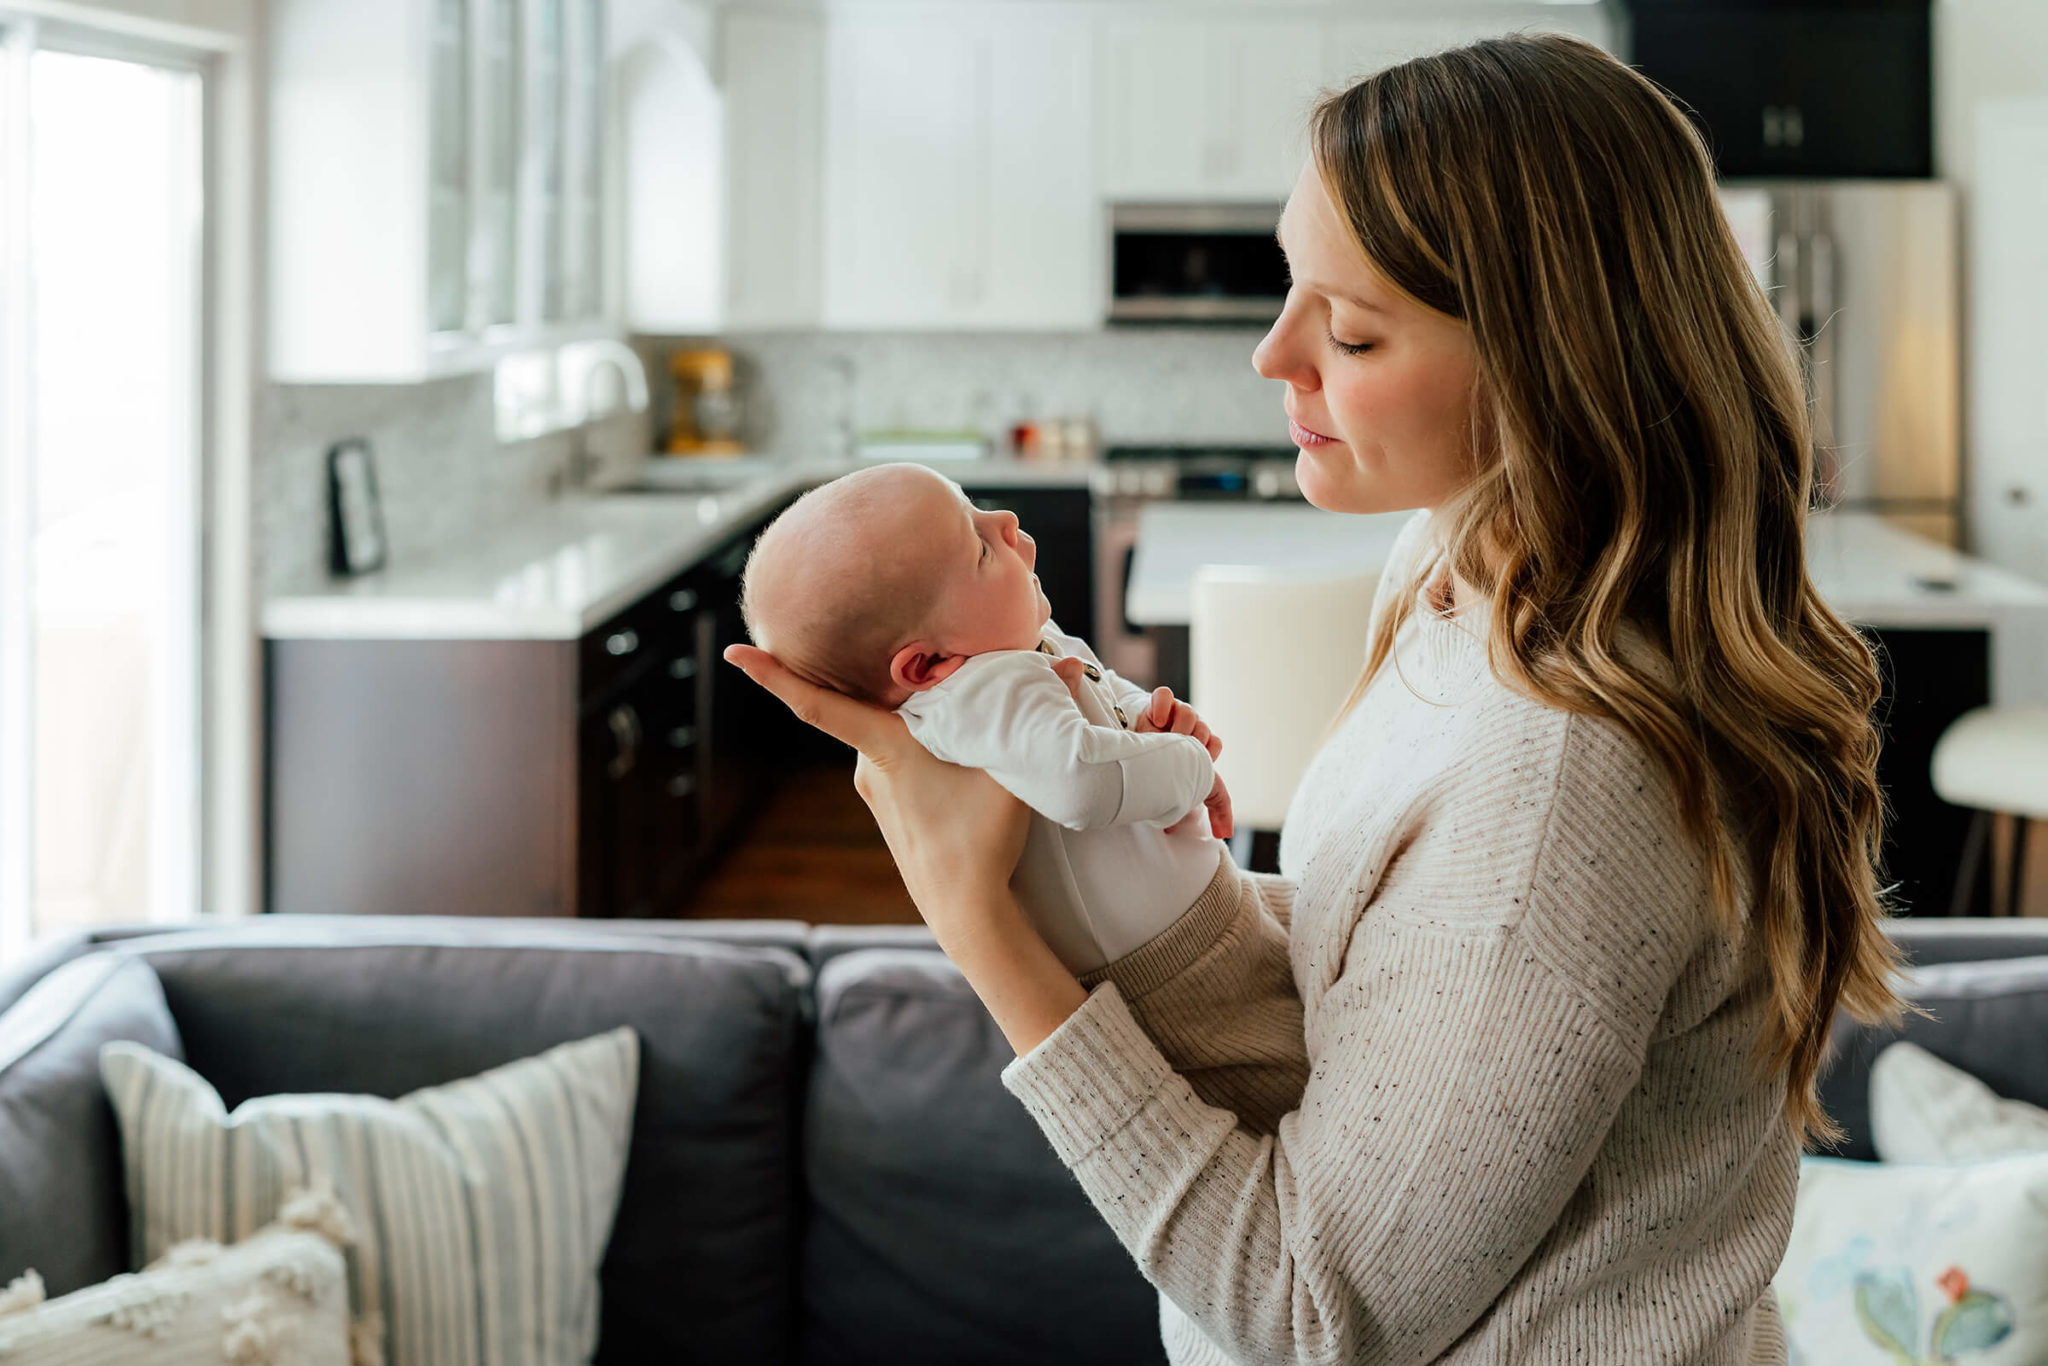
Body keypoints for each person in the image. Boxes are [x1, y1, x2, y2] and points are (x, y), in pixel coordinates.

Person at [726, 32, 1910, 1365]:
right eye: (1294, 290)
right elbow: (1414, 970)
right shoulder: (1462, 572)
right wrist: (1155, 875)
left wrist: (983, 924)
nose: (1273, 355)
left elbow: (1314, 1310)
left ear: (1545, 358)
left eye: (1351, 328)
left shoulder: (1572, 769)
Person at [737, 461, 1236, 974]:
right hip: (1177, 971)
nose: (1006, 520)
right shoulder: (981, 691)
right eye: (979, 548)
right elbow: (1084, 783)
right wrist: (1193, 768)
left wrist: (1136, 721)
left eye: (975, 508)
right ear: (926, 665)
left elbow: (1095, 686)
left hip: (1195, 931)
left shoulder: (1005, 651)